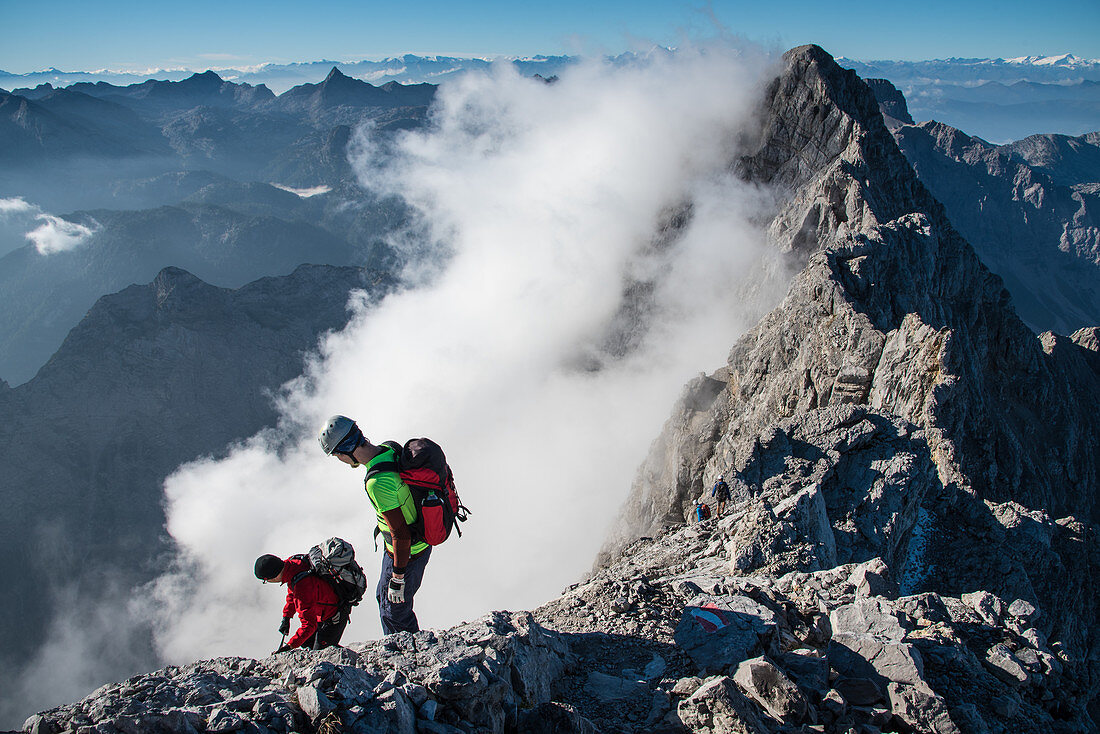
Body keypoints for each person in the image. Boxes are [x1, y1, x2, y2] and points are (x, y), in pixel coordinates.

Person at [318, 415, 432, 635]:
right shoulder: (389, 449)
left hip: (406, 553)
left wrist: (398, 577)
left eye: (337, 456)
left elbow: (400, 534)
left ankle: (410, 658)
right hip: (415, 543)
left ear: (344, 452)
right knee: (384, 596)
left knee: (393, 612)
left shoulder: (377, 482)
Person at [254, 553, 347, 651]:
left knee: (321, 653)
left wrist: (290, 646)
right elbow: (292, 593)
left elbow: (309, 625)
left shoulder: (302, 587)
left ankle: (350, 661)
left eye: (265, 581)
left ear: (271, 578)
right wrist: (287, 617)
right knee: (306, 642)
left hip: (334, 615)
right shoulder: (292, 566)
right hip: (323, 609)